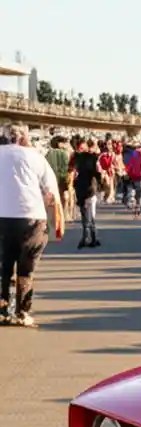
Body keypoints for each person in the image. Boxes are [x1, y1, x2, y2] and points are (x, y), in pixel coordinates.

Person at [0, 123, 64, 327]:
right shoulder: (35, 157)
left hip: (2, 218)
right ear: (23, 138)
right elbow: (51, 193)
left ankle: (2, 309)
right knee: (26, 268)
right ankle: (22, 312)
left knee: (3, 266)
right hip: (31, 217)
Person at [69, 139, 105, 248]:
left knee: (85, 213)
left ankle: (86, 237)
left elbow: (72, 171)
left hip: (81, 188)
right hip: (91, 187)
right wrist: (100, 183)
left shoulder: (75, 158)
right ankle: (91, 237)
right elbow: (99, 172)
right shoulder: (93, 158)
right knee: (90, 213)